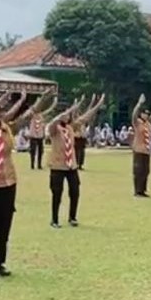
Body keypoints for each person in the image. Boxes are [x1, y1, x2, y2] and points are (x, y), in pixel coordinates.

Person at [0, 91, 45, 279]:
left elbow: (25, 116)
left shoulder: (7, 128)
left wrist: (30, 100)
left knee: (4, 226)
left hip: (8, 183)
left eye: (2, 110)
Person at [47, 94, 105, 228]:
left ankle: (72, 217)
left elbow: (86, 117)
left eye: (68, 115)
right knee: (57, 194)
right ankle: (54, 220)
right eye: (65, 114)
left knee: (75, 191)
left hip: (71, 166)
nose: (67, 117)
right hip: (58, 166)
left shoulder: (71, 127)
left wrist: (97, 104)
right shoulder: (54, 128)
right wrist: (67, 111)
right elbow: (53, 122)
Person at [26, 94, 57, 170]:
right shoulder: (32, 115)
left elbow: (49, 110)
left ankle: (39, 165)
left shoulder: (41, 115)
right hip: (33, 135)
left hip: (40, 136)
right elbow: (32, 109)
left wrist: (54, 103)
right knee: (33, 151)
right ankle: (32, 165)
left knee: (40, 151)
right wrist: (38, 101)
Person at [75, 94, 98, 170]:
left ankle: (80, 165)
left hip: (82, 137)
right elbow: (75, 109)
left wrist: (92, 100)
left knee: (82, 152)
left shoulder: (83, 119)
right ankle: (76, 164)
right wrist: (79, 101)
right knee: (76, 151)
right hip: (76, 137)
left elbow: (89, 110)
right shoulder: (75, 119)